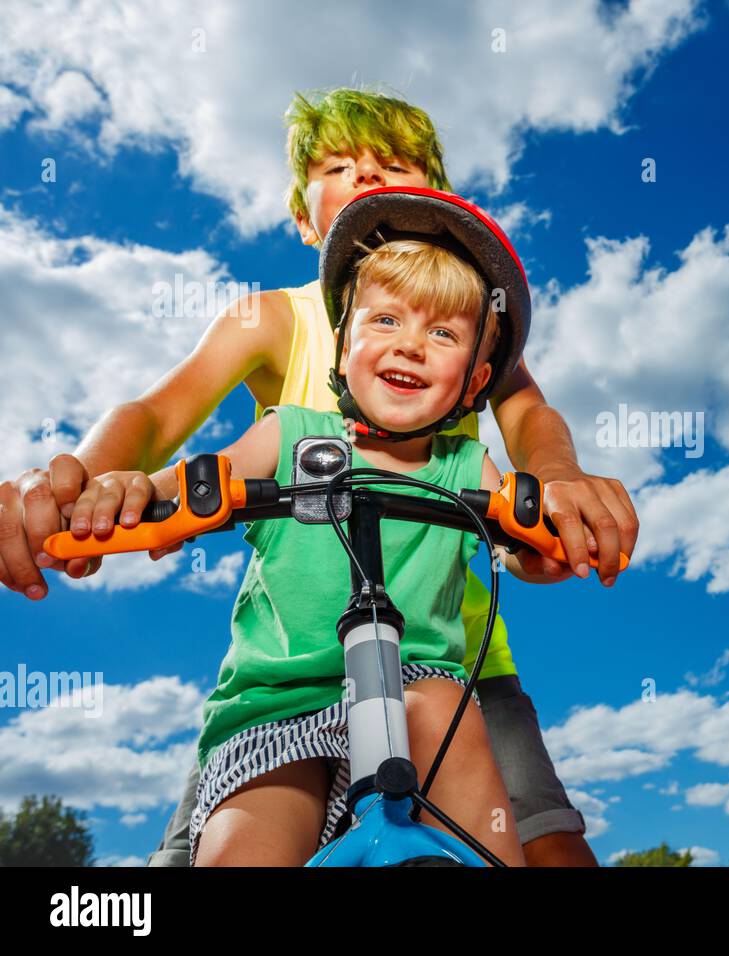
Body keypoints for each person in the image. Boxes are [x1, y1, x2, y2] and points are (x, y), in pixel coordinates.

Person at [0, 88, 637, 866]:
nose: (368, 176)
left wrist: (558, 488)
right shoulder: (273, 319)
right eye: (339, 166)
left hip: (448, 653)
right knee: (218, 844)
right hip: (290, 663)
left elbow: (529, 416)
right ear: (306, 218)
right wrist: (85, 481)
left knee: (545, 842)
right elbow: (157, 417)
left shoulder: (475, 325)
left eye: (394, 165)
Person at [67, 189, 556, 865]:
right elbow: (182, 490)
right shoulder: (287, 436)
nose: (410, 344)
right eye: (385, 320)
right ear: (343, 344)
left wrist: (553, 543)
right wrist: (128, 492)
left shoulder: (468, 465)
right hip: (279, 704)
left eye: (442, 333)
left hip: (421, 692)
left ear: (474, 383)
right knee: (246, 850)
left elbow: (527, 543)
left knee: (449, 720)